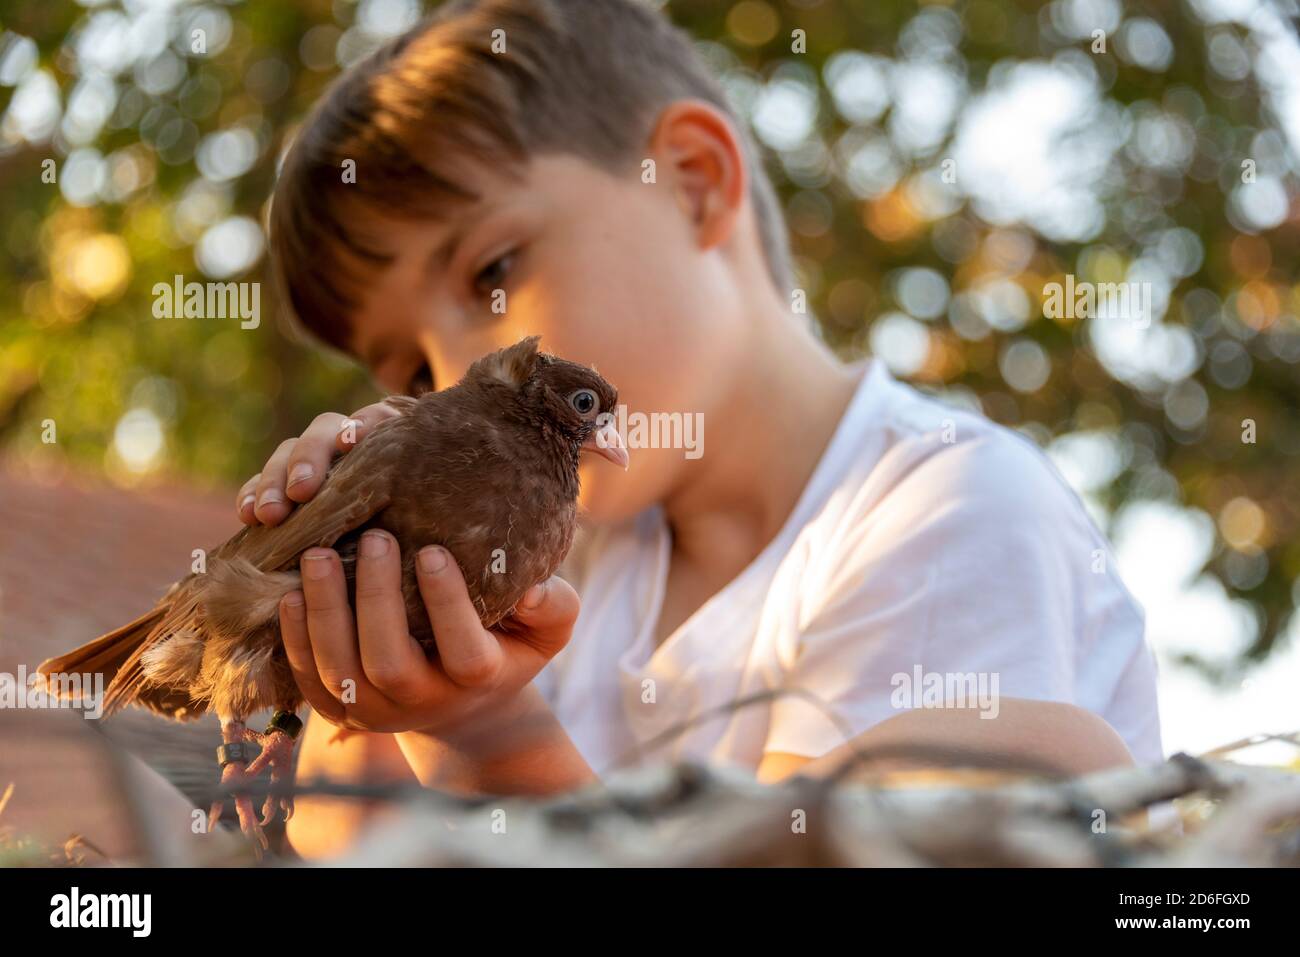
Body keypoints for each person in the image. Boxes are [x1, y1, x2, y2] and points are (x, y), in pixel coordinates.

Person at [243, 0, 1160, 859]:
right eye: (409, 371)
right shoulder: (566, 570)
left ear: (690, 184)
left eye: (492, 271)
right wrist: (344, 653)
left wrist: (483, 737)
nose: (454, 379)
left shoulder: (945, 511)